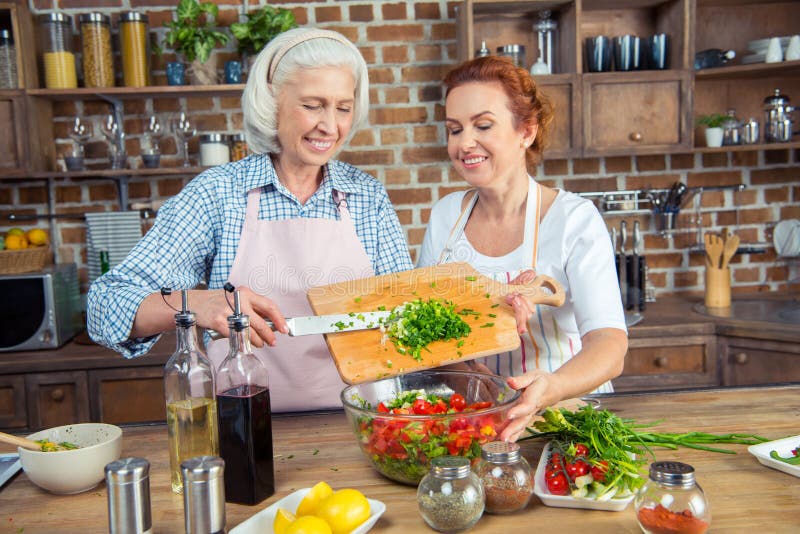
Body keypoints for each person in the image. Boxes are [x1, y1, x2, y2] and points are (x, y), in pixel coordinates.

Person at [87, 28, 413, 411]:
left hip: (364, 425)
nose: (331, 125)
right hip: (244, 425)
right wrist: (196, 304)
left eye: (343, 107)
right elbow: (104, 305)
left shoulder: (367, 197)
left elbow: (405, 315)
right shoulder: (218, 194)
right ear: (271, 101)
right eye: (313, 105)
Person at [417, 56, 628, 441]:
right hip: (480, 421)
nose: (465, 143)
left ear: (526, 131)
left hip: (567, 422)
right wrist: (463, 375)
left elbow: (610, 346)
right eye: (454, 129)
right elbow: (429, 332)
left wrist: (552, 387)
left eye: (483, 125)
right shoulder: (446, 216)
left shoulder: (573, 219)